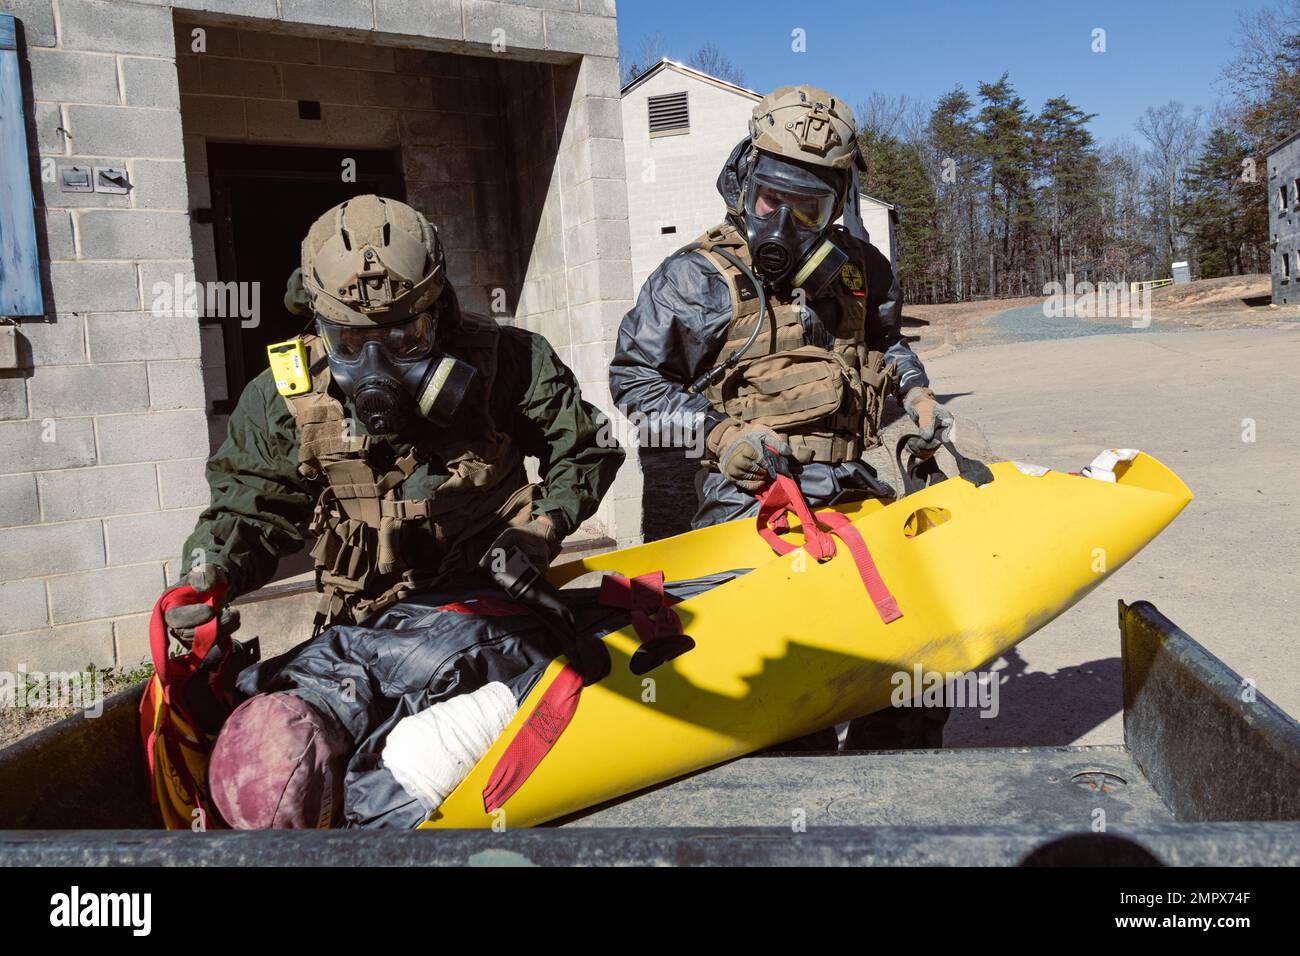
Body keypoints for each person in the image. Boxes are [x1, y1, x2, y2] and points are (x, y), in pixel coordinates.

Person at [609, 85, 952, 750]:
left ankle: (895, 815)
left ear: (838, 205)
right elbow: (634, 380)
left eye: (810, 207)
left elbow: (886, 343)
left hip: (853, 496)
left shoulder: (861, 272)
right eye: (772, 200)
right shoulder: (695, 279)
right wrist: (716, 432)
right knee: (778, 701)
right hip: (748, 506)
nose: (785, 225)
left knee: (913, 677)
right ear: (743, 180)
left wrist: (916, 392)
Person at [163, 194, 624, 646]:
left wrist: (541, 529)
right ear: (316, 320)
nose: (374, 364)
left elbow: (585, 448)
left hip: (494, 605)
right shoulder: (286, 395)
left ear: (440, 313)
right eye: (347, 342)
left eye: (404, 338)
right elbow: (251, 504)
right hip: (365, 622)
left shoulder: (508, 362)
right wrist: (211, 573)